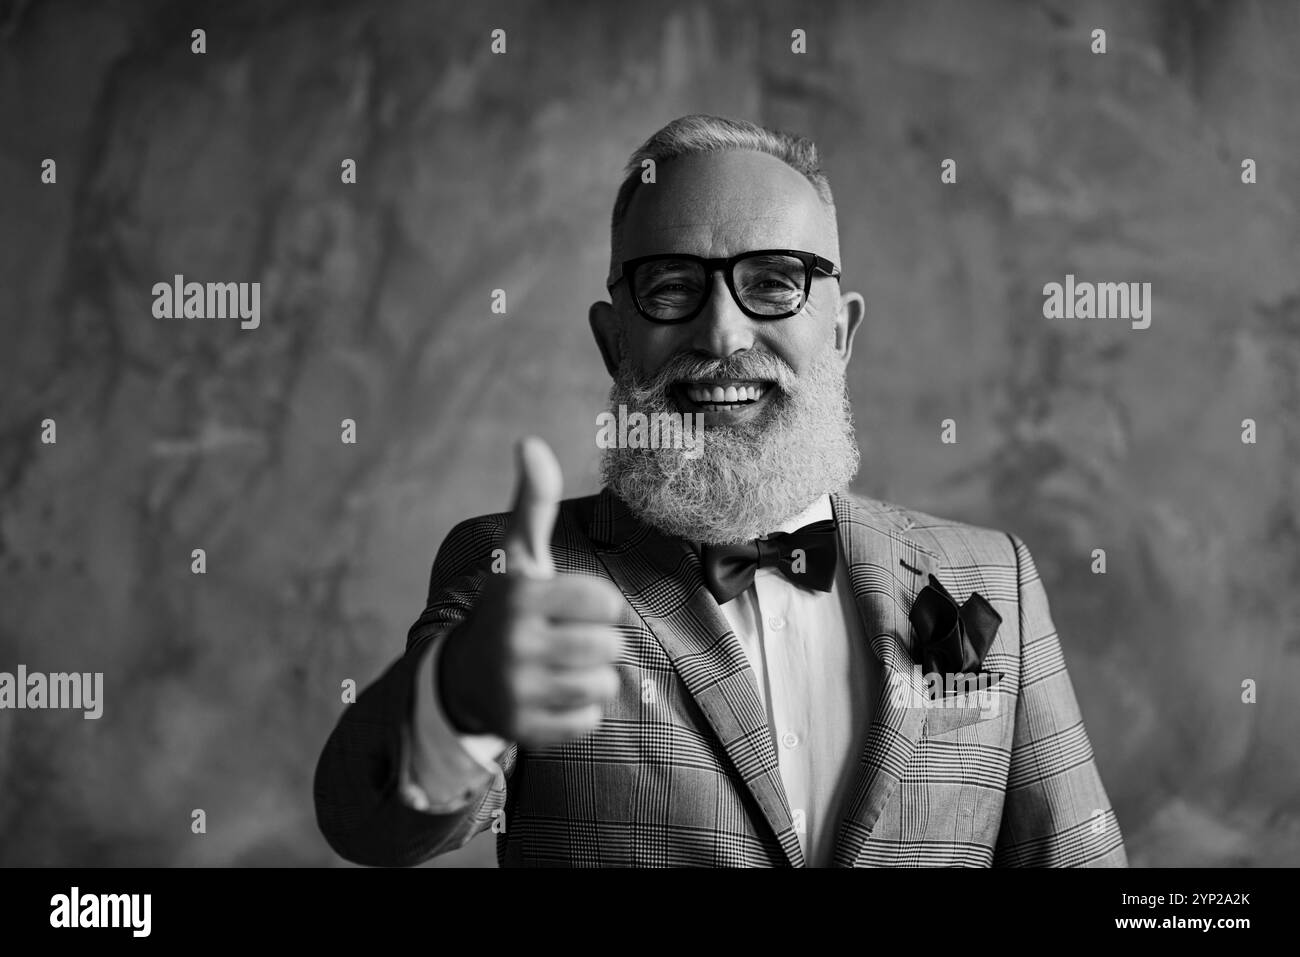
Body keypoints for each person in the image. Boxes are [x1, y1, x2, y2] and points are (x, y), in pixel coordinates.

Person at [313, 114, 1127, 868]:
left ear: (840, 333)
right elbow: (367, 821)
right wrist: (455, 702)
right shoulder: (514, 570)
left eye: (774, 282)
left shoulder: (995, 580)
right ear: (612, 339)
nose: (722, 334)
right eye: (671, 288)